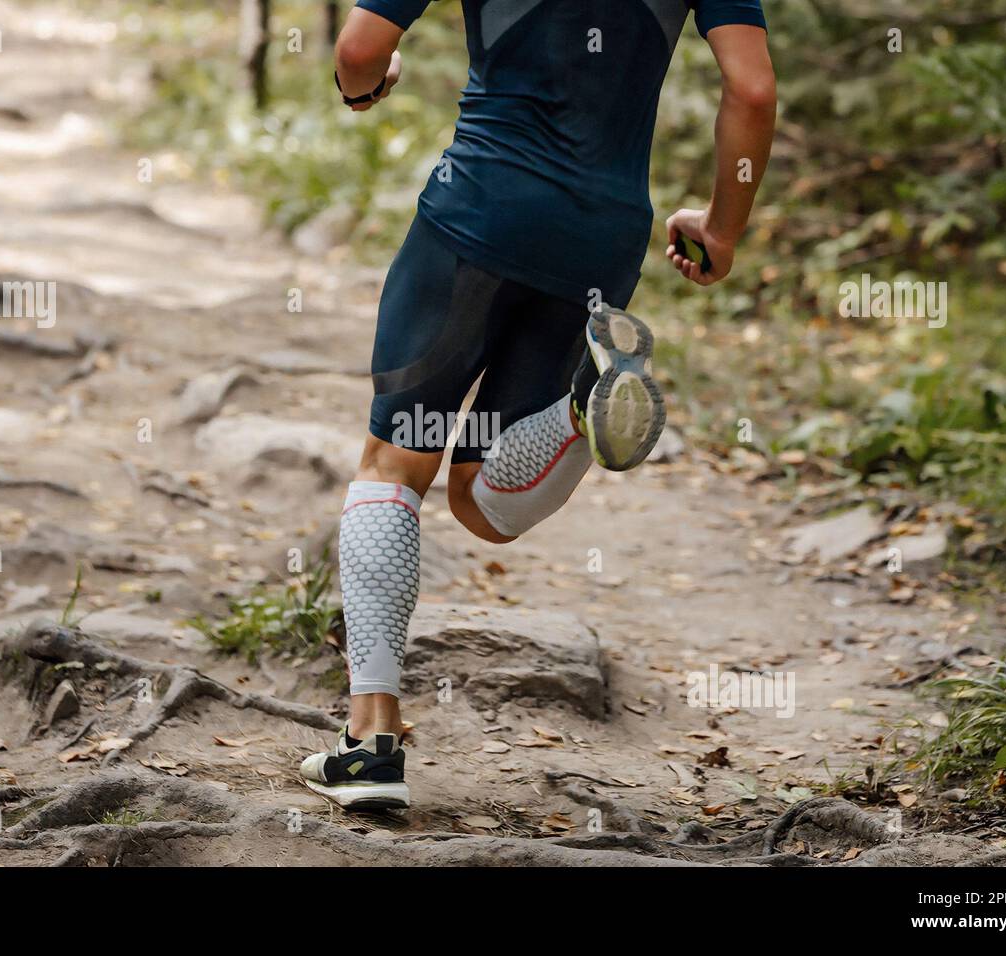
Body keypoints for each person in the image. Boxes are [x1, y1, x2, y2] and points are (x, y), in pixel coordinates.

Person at [301, 0, 776, 809]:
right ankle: (587, 410)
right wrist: (723, 229)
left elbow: (360, 47)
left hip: (476, 211)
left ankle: (372, 743)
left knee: (394, 466)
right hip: (601, 238)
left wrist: (363, 88)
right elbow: (753, 91)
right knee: (484, 503)